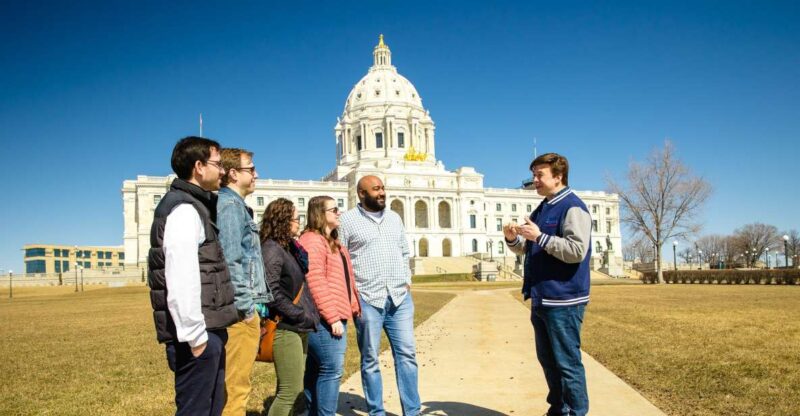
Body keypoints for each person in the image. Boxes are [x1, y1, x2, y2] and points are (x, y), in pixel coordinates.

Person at [147, 136, 238, 416]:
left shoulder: (195, 205)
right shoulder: (184, 209)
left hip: (206, 331)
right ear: (198, 167)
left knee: (211, 408)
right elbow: (180, 275)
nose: (223, 171)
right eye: (217, 164)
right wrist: (196, 337)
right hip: (197, 336)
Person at [504, 153, 593, 416]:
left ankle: (576, 412)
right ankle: (558, 410)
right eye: (534, 175)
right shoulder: (542, 208)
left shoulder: (572, 207)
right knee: (549, 362)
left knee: (567, 363)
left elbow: (577, 250)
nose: (534, 180)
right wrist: (512, 240)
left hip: (564, 300)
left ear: (558, 176)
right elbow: (530, 248)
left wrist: (540, 237)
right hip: (542, 297)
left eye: (539, 175)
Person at [338, 175, 421, 416]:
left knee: (407, 355)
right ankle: (377, 412)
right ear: (361, 194)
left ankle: (412, 412)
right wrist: (352, 294)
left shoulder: (395, 217)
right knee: (371, 359)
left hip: (399, 298)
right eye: (376, 189)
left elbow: (404, 251)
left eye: (383, 188)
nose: (382, 192)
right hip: (367, 299)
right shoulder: (347, 221)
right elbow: (341, 259)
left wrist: (407, 280)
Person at [217, 148, 274, 415]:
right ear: (232, 173)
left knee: (238, 384)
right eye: (250, 169)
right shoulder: (229, 207)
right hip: (240, 313)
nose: (256, 174)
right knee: (236, 389)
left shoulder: (239, 207)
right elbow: (231, 261)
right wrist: (247, 309)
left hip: (244, 308)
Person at [298, 196, 361, 416]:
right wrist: (333, 317)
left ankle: (313, 412)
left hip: (332, 314)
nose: (339, 212)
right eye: (334, 209)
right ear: (319, 214)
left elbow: (345, 277)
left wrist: (352, 304)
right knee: (331, 370)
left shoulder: (332, 241)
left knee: (317, 369)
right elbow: (316, 281)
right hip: (323, 318)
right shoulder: (313, 240)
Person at [260, 198, 319, 416]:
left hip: (296, 326)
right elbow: (272, 292)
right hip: (285, 327)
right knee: (290, 391)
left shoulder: (287, 249)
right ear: (283, 221)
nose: (298, 222)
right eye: (295, 218)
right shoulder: (272, 250)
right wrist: (299, 315)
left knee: (291, 389)